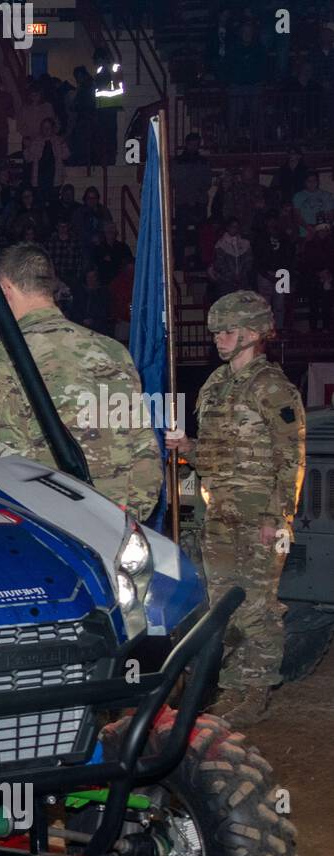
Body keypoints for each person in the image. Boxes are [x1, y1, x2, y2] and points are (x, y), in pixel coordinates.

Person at [170, 292, 305, 725]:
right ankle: (230, 687)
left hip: (260, 518)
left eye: (227, 332)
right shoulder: (215, 384)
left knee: (258, 606)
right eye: (215, 332)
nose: (218, 340)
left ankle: (257, 689)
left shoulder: (272, 387)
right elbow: (215, 456)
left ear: (252, 333)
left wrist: (277, 516)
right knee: (222, 605)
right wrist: (189, 448)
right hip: (221, 514)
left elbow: (291, 457)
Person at [0, 243, 162, 519]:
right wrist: (131, 517)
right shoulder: (112, 350)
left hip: (48, 527)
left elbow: (1, 457)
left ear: (5, 289)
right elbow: (144, 443)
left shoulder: (0, 355)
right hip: (114, 523)